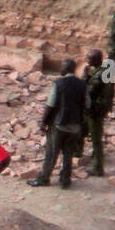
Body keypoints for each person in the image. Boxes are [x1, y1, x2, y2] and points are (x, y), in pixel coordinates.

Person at [28, 58, 89, 189]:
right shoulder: (82, 84)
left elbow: (50, 104)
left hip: (59, 124)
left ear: (66, 69)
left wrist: (43, 121)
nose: (60, 69)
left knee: (51, 153)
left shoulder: (59, 83)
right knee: (68, 153)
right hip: (75, 125)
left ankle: (44, 178)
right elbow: (87, 104)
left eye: (62, 66)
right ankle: (65, 180)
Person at [82, 49, 114, 177]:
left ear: (97, 59)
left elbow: (91, 89)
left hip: (95, 110)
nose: (88, 61)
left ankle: (98, 168)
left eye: (90, 59)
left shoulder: (102, 74)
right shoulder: (103, 69)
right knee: (82, 130)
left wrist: (85, 77)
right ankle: (78, 152)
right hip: (95, 108)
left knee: (96, 139)